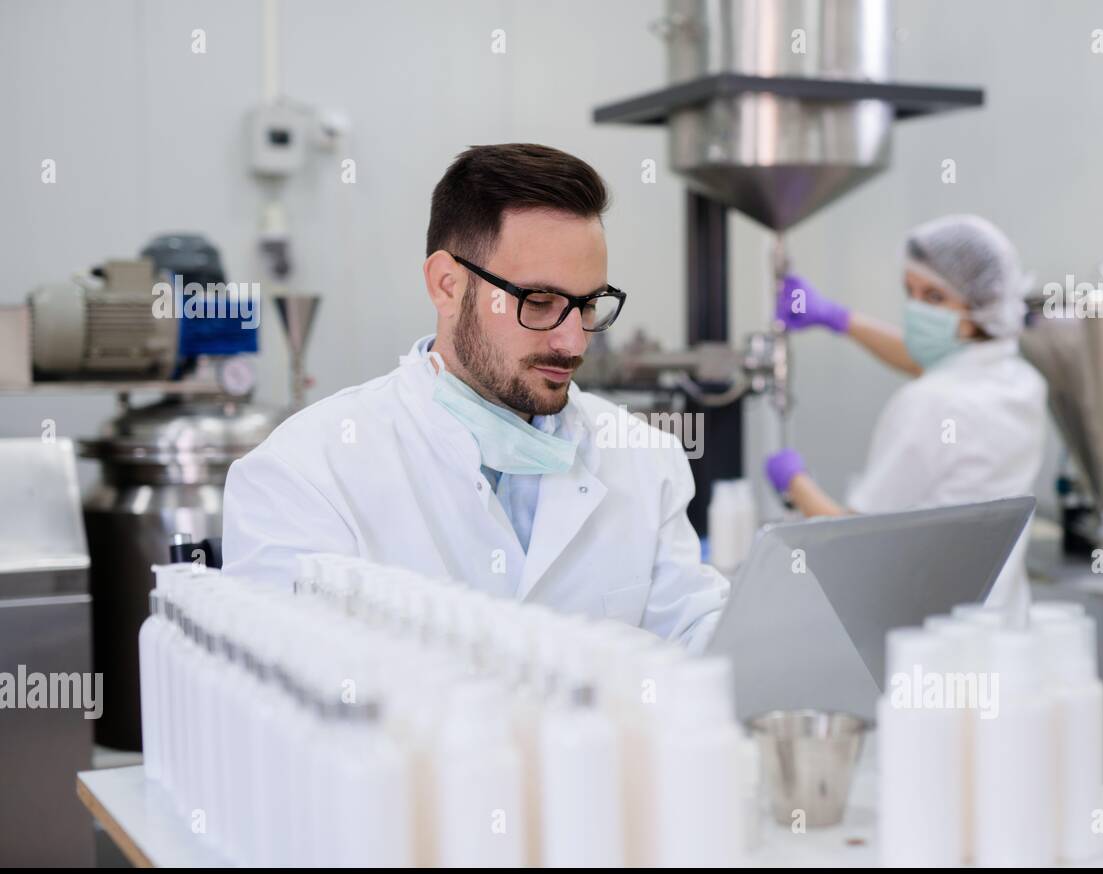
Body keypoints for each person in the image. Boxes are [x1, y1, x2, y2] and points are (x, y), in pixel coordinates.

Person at [222, 143, 728, 649]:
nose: (573, 342)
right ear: (447, 285)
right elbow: (291, 702)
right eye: (540, 301)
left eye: (589, 305)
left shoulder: (643, 459)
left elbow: (701, 642)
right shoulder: (305, 476)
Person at [764, 214, 1046, 623]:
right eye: (909, 291)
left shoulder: (928, 404)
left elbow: (855, 542)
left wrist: (793, 482)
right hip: (1002, 628)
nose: (915, 309)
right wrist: (837, 318)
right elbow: (935, 364)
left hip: (935, 639)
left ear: (979, 308)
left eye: (933, 297)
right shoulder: (1021, 382)